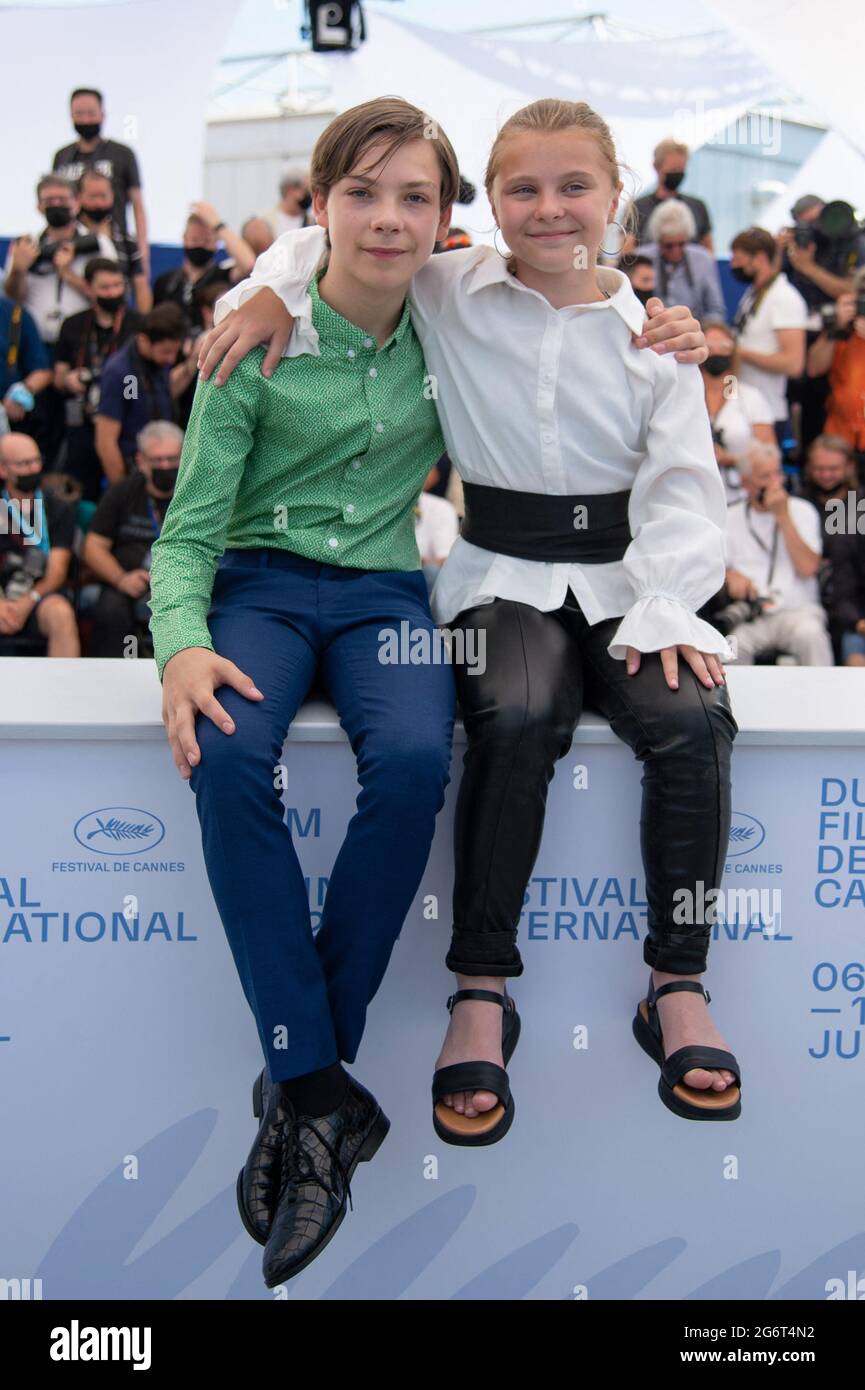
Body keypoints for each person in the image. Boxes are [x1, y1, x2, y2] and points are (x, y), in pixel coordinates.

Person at [197, 97, 740, 1145]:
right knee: (518, 713)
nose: (548, 208)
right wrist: (267, 293)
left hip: (629, 577)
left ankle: (675, 980)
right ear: (484, 206)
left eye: (573, 186)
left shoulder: (656, 342)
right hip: (499, 572)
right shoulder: (448, 286)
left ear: (616, 197)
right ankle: (481, 990)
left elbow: (684, 491)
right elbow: (341, 230)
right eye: (521, 189)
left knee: (688, 718)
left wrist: (668, 603)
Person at [723, 441, 833, 665]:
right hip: (752, 616)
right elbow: (716, 568)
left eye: (777, 474)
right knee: (732, 646)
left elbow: (808, 568)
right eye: (765, 477)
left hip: (799, 611)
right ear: (745, 483)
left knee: (812, 636)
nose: (775, 483)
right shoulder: (728, 517)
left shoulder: (802, 511)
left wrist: (783, 517)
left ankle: (823, 699)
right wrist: (729, 575)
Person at [83, 421, 183, 656]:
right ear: (141, 461)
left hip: (181, 581)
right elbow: (93, 547)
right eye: (157, 461)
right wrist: (120, 578)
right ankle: (111, 679)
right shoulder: (122, 493)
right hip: (128, 583)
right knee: (110, 611)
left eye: (171, 459)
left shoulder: (194, 495)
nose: (165, 466)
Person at [54, 258, 143, 500]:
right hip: (81, 421)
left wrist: (126, 391)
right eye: (105, 287)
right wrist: (68, 380)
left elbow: (142, 377)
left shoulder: (137, 325)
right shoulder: (73, 325)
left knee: (127, 486)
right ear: (89, 288)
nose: (113, 293)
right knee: (80, 489)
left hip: (124, 419)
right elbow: (58, 373)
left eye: (118, 285)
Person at [52, 87, 148, 273]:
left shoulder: (122, 154)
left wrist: (143, 252)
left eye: (91, 113)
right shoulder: (62, 156)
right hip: (72, 246)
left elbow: (138, 205)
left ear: (103, 114)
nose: (85, 119)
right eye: (79, 113)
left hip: (115, 242)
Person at [0, 433, 79, 653]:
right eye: (24, 464)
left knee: (60, 613)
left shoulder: (58, 508)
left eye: (36, 460)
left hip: (39, 596)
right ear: (3, 469)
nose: (34, 469)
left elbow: (57, 571)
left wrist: (28, 600)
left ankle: (64, 685)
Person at [729, 227, 807, 451]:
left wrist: (740, 352)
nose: (733, 265)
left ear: (760, 258)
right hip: (740, 404)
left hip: (768, 410)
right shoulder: (753, 294)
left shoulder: (785, 298)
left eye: (738, 258)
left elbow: (794, 364)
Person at [94, 303, 185, 483]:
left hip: (164, 461)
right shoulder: (123, 373)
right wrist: (122, 490)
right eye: (166, 352)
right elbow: (105, 441)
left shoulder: (158, 363)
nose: (171, 359)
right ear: (144, 340)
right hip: (134, 469)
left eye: (175, 352)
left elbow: (163, 394)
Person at [699, 319, 775, 506]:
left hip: (741, 496)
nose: (716, 352)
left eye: (724, 346)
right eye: (709, 346)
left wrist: (731, 459)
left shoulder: (748, 397)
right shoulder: (683, 395)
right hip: (695, 494)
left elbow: (770, 454)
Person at [805, 271, 865, 467]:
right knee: (846, 497)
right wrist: (835, 327)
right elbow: (813, 368)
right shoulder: (843, 332)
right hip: (841, 437)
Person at [76, 169, 152, 313]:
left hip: (117, 325)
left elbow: (141, 286)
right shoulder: (70, 237)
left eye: (103, 196)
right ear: (79, 198)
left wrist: (144, 325)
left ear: (112, 196)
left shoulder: (127, 240)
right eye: (92, 197)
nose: (98, 203)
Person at [638, 200, 725, 321]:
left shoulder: (703, 260)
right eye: (669, 245)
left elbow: (715, 310)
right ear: (658, 240)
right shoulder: (641, 259)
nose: (676, 251)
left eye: (681, 244)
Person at [629, 138, 713, 252]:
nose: (677, 174)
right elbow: (627, 251)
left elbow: (709, 250)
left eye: (681, 169)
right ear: (657, 167)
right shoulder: (638, 208)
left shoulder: (697, 207)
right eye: (673, 169)